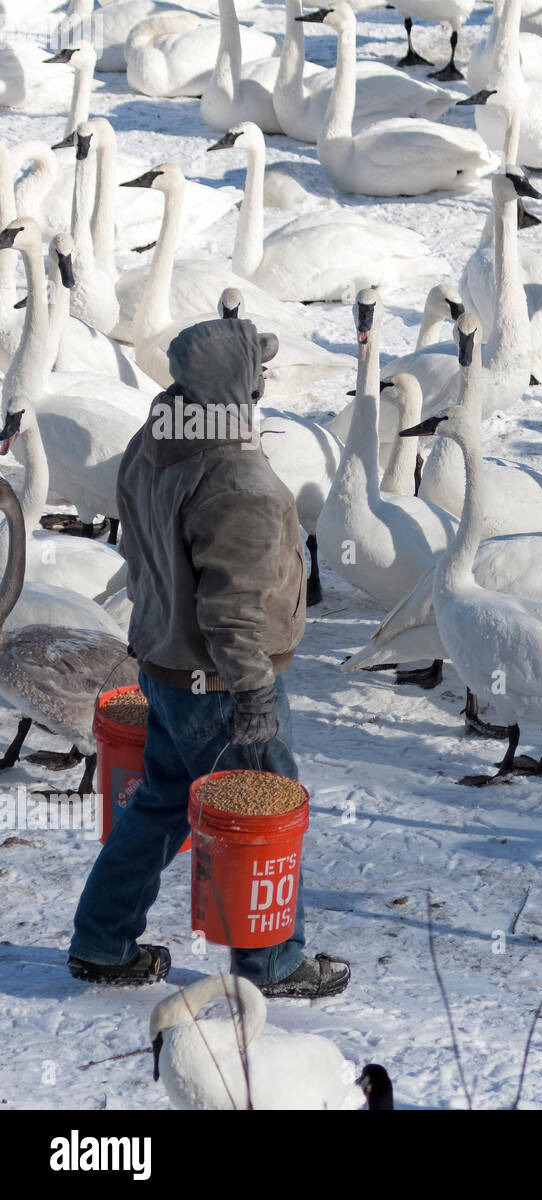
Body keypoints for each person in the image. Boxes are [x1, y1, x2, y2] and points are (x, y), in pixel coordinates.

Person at [68, 317, 349, 997]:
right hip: (224, 682)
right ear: (237, 388)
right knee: (262, 821)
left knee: (163, 803)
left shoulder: (155, 438)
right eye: (257, 373)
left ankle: (102, 940)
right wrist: (252, 694)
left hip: (165, 666)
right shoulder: (237, 481)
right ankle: (273, 963)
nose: (264, 383)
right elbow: (234, 609)